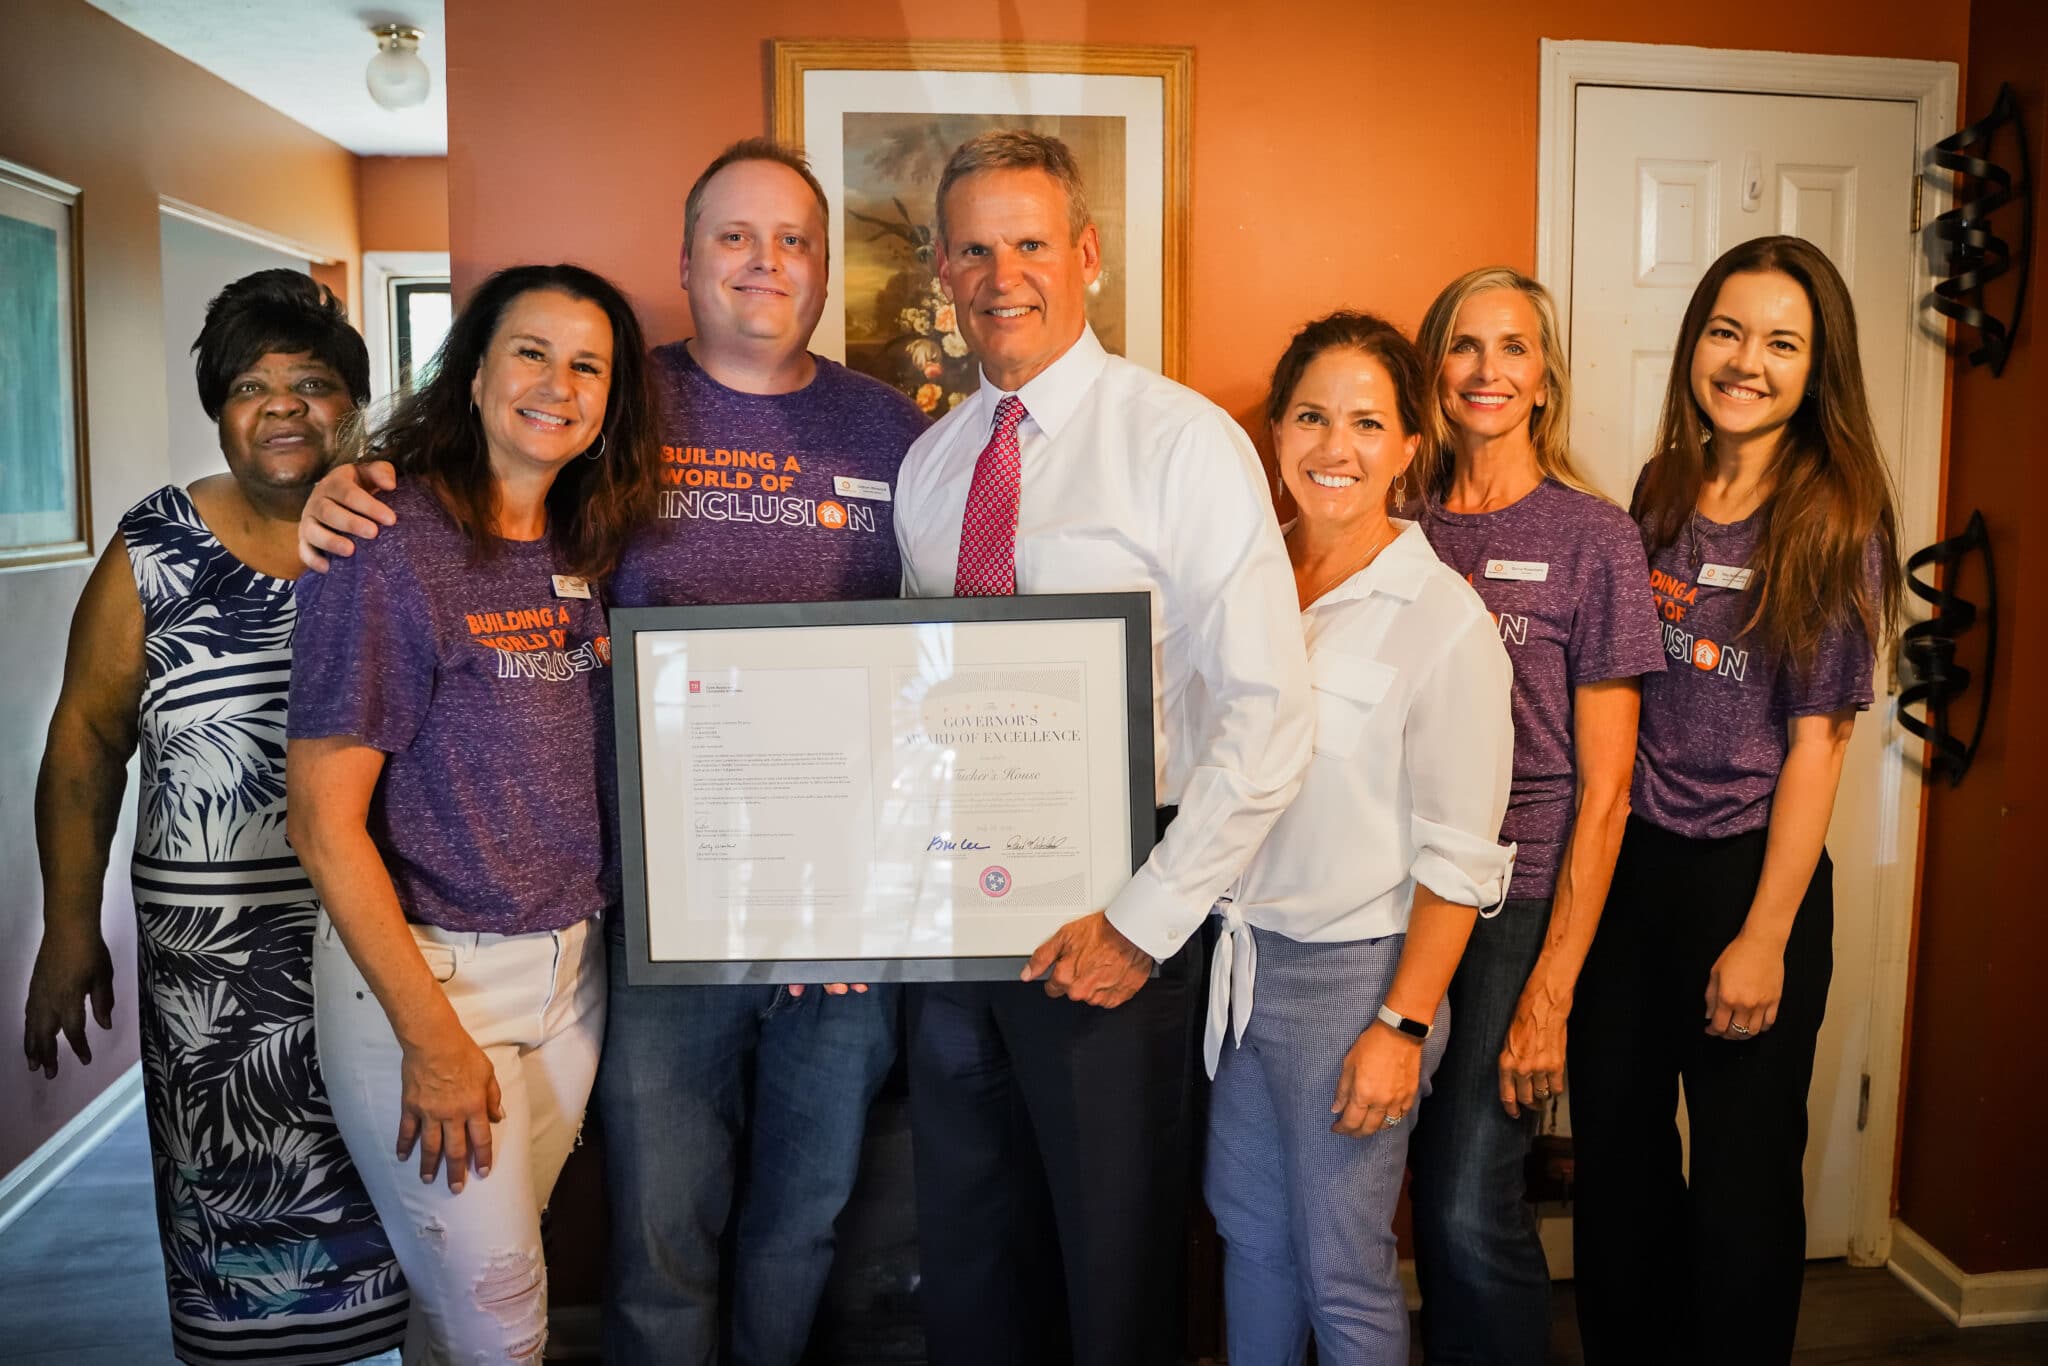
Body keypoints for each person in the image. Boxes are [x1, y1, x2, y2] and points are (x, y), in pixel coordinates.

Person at [295, 140, 929, 1366]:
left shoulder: (895, 430)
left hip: (836, 919)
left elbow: (934, 659)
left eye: (792, 238)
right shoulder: (616, 400)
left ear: (824, 265)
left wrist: (872, 898)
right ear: (685, 259)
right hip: (649, 911)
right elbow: (481, 514)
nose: (763, 261)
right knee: (659, 1226)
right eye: (733, 236)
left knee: (803, 1219)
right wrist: (348, 490)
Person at [892, 129, 1314, 1366]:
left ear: (1084, 258)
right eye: (972, 248)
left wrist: (1143, 921)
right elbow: (916, 698)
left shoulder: (1181, 444)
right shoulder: (929, 467)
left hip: (1119, 892)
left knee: (1110, 1260)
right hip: (955, 906)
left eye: (1028, 243)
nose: (999, 273)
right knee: (968, 1249)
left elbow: (1267, 715)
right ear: (940, 270)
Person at [21, 269, 408, 1364]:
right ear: (218, 409)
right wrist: (65, 927)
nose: (282, 406)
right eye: (249, 384)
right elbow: (86, 747)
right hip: (215, 991)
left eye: (313, 382)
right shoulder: (157, 549)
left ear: (354, 403)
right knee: (239, 1269)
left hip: (384, 951)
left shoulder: (399, 535)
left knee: (426, 1248)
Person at [286, 263, 659, 1362]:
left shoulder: (588, 541)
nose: (558, 383)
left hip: (570, 977)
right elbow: (320, 818)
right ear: (475, 371)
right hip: (430, 979)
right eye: (530, 352)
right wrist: (432, 1037)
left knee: (455, 1312)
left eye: (587, 365)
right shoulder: (388, 541)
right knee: (504, 1324)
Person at [1567, 235, 1901, 1364]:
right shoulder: (1660, 490)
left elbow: (1820, 742)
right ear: (1694, 341)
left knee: (1740, 1185)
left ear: (1817, 368)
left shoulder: (1830, 516)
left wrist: (1761, 936)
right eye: (1725, 329)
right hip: (1631, 869)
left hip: (1748, 872)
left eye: (1780, 341)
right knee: (1614, 1160)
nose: (1744, 359)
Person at [1203, 311, 1514, 1365]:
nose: (1333, 447)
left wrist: (1400, 1024)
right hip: (1236, 971)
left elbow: (1459, 858)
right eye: (1310, 416)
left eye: (1366, 423)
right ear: (1276, 430)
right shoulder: (1241, 584)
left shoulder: (1442, 619)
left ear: (1408, 447)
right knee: (1248, 1239)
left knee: (1339, 1263)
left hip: (1354, 982)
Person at [1401, 267, 1665, 1363]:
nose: (1486, 371)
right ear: (1432, 371)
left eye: (1512, 348)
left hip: (1518, 898)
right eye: (1464, 346)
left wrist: (1550, 989)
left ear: (1544, 378)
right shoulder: (1392, 521)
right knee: (1415, 1194)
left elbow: (1607, 789)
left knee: (1468, 1204)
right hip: (1400, 885)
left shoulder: (1594, 537)